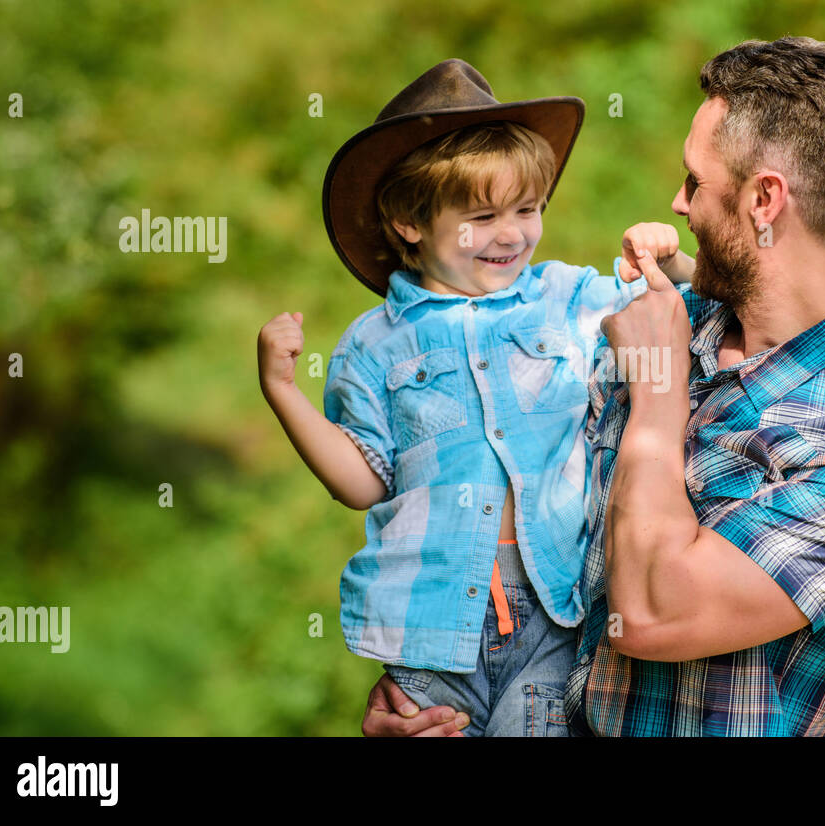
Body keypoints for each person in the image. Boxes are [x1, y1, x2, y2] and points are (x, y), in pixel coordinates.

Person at [363, 37, 825, 738]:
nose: (677, 203)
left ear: (765, 200)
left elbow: (651, 615)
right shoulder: (673, 319)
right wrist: (434, 682)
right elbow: (488, 465)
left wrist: (657, 395)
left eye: (695, 182)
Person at [257, 59, 693, 736]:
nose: (512, 233)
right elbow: (362, 482)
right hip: (428, 627)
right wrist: (281, 391)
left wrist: (670, 259)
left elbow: (689, 308)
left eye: (529, 210)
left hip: (556, 615)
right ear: (408, 219)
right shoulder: (375, 344)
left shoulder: (566, 298)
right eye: (483, 216)